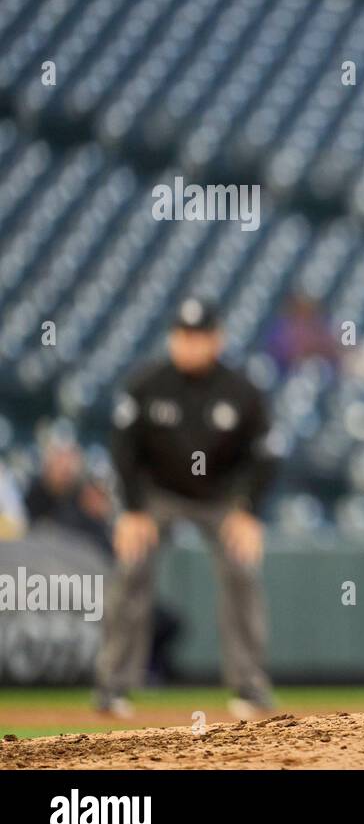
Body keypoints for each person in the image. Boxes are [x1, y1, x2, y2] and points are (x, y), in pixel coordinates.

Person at [95, 297, 279, 718]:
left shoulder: (241, 390)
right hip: (158, 494)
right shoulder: (147, 384)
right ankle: (113, 685)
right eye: (182, 336)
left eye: (199, 336)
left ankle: (249, 686)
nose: (190, 345)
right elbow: (123, 449)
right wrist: (131, 509)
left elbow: (266, 454)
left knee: (241, 569)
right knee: (132, 567)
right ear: (171, 338)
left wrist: (248, 509)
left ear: (217, 340)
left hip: (220, 499)